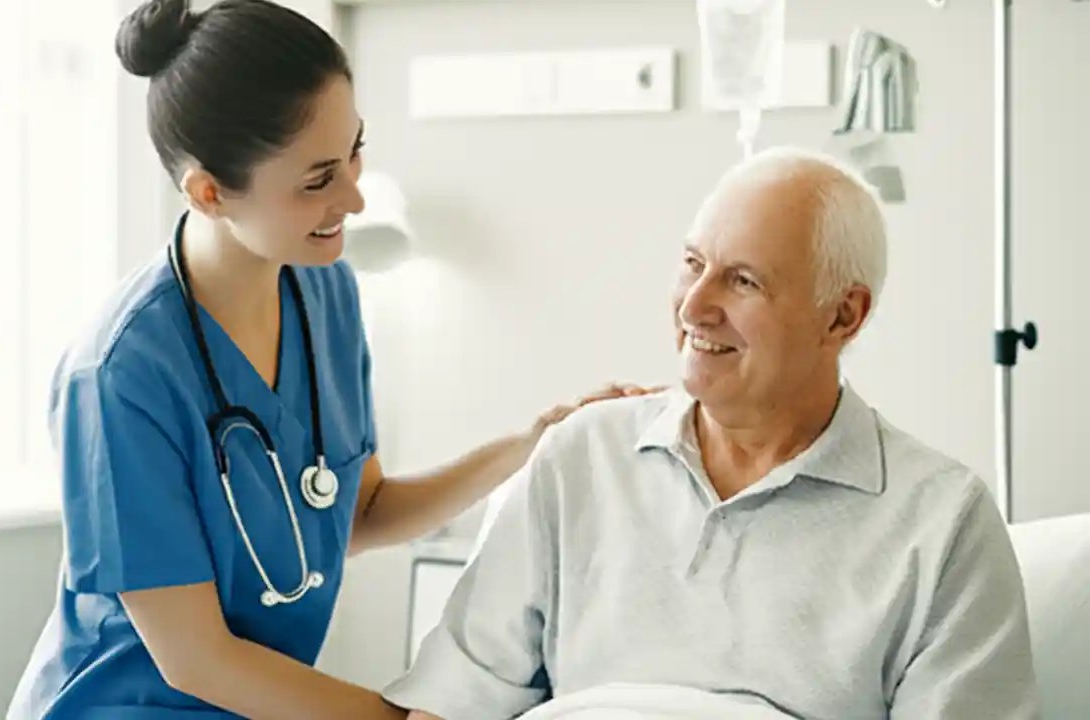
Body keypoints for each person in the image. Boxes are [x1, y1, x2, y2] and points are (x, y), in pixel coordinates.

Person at [5, 1, 651, 718]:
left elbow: (359, 514)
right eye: (317, 180)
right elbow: (195, 660)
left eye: (355, 153)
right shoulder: (119, 375)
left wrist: (534, 444)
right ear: (210, 192)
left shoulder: (323, 286)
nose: (353, 194)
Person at [386, 147, 1040, 720]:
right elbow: (454, 700)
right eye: (693, 263)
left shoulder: (942, 521)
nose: (694, 306)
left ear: (842, 315)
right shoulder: (582, 455)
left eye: (744, 281)